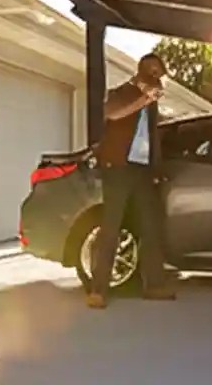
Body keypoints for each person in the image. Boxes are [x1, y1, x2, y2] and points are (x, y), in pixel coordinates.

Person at [86, 52, 176, 309]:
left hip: (142, 171)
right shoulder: (122, 92)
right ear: (145, 71)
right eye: (156, 73)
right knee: (111, 228)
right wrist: (143, 100)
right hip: (118, 168)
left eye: (161, 75)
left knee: (150, 227)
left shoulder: (152, 105)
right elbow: (112, 114)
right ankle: (98, 290)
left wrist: (157, 168)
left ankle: (154, 286)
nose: (160, 79)